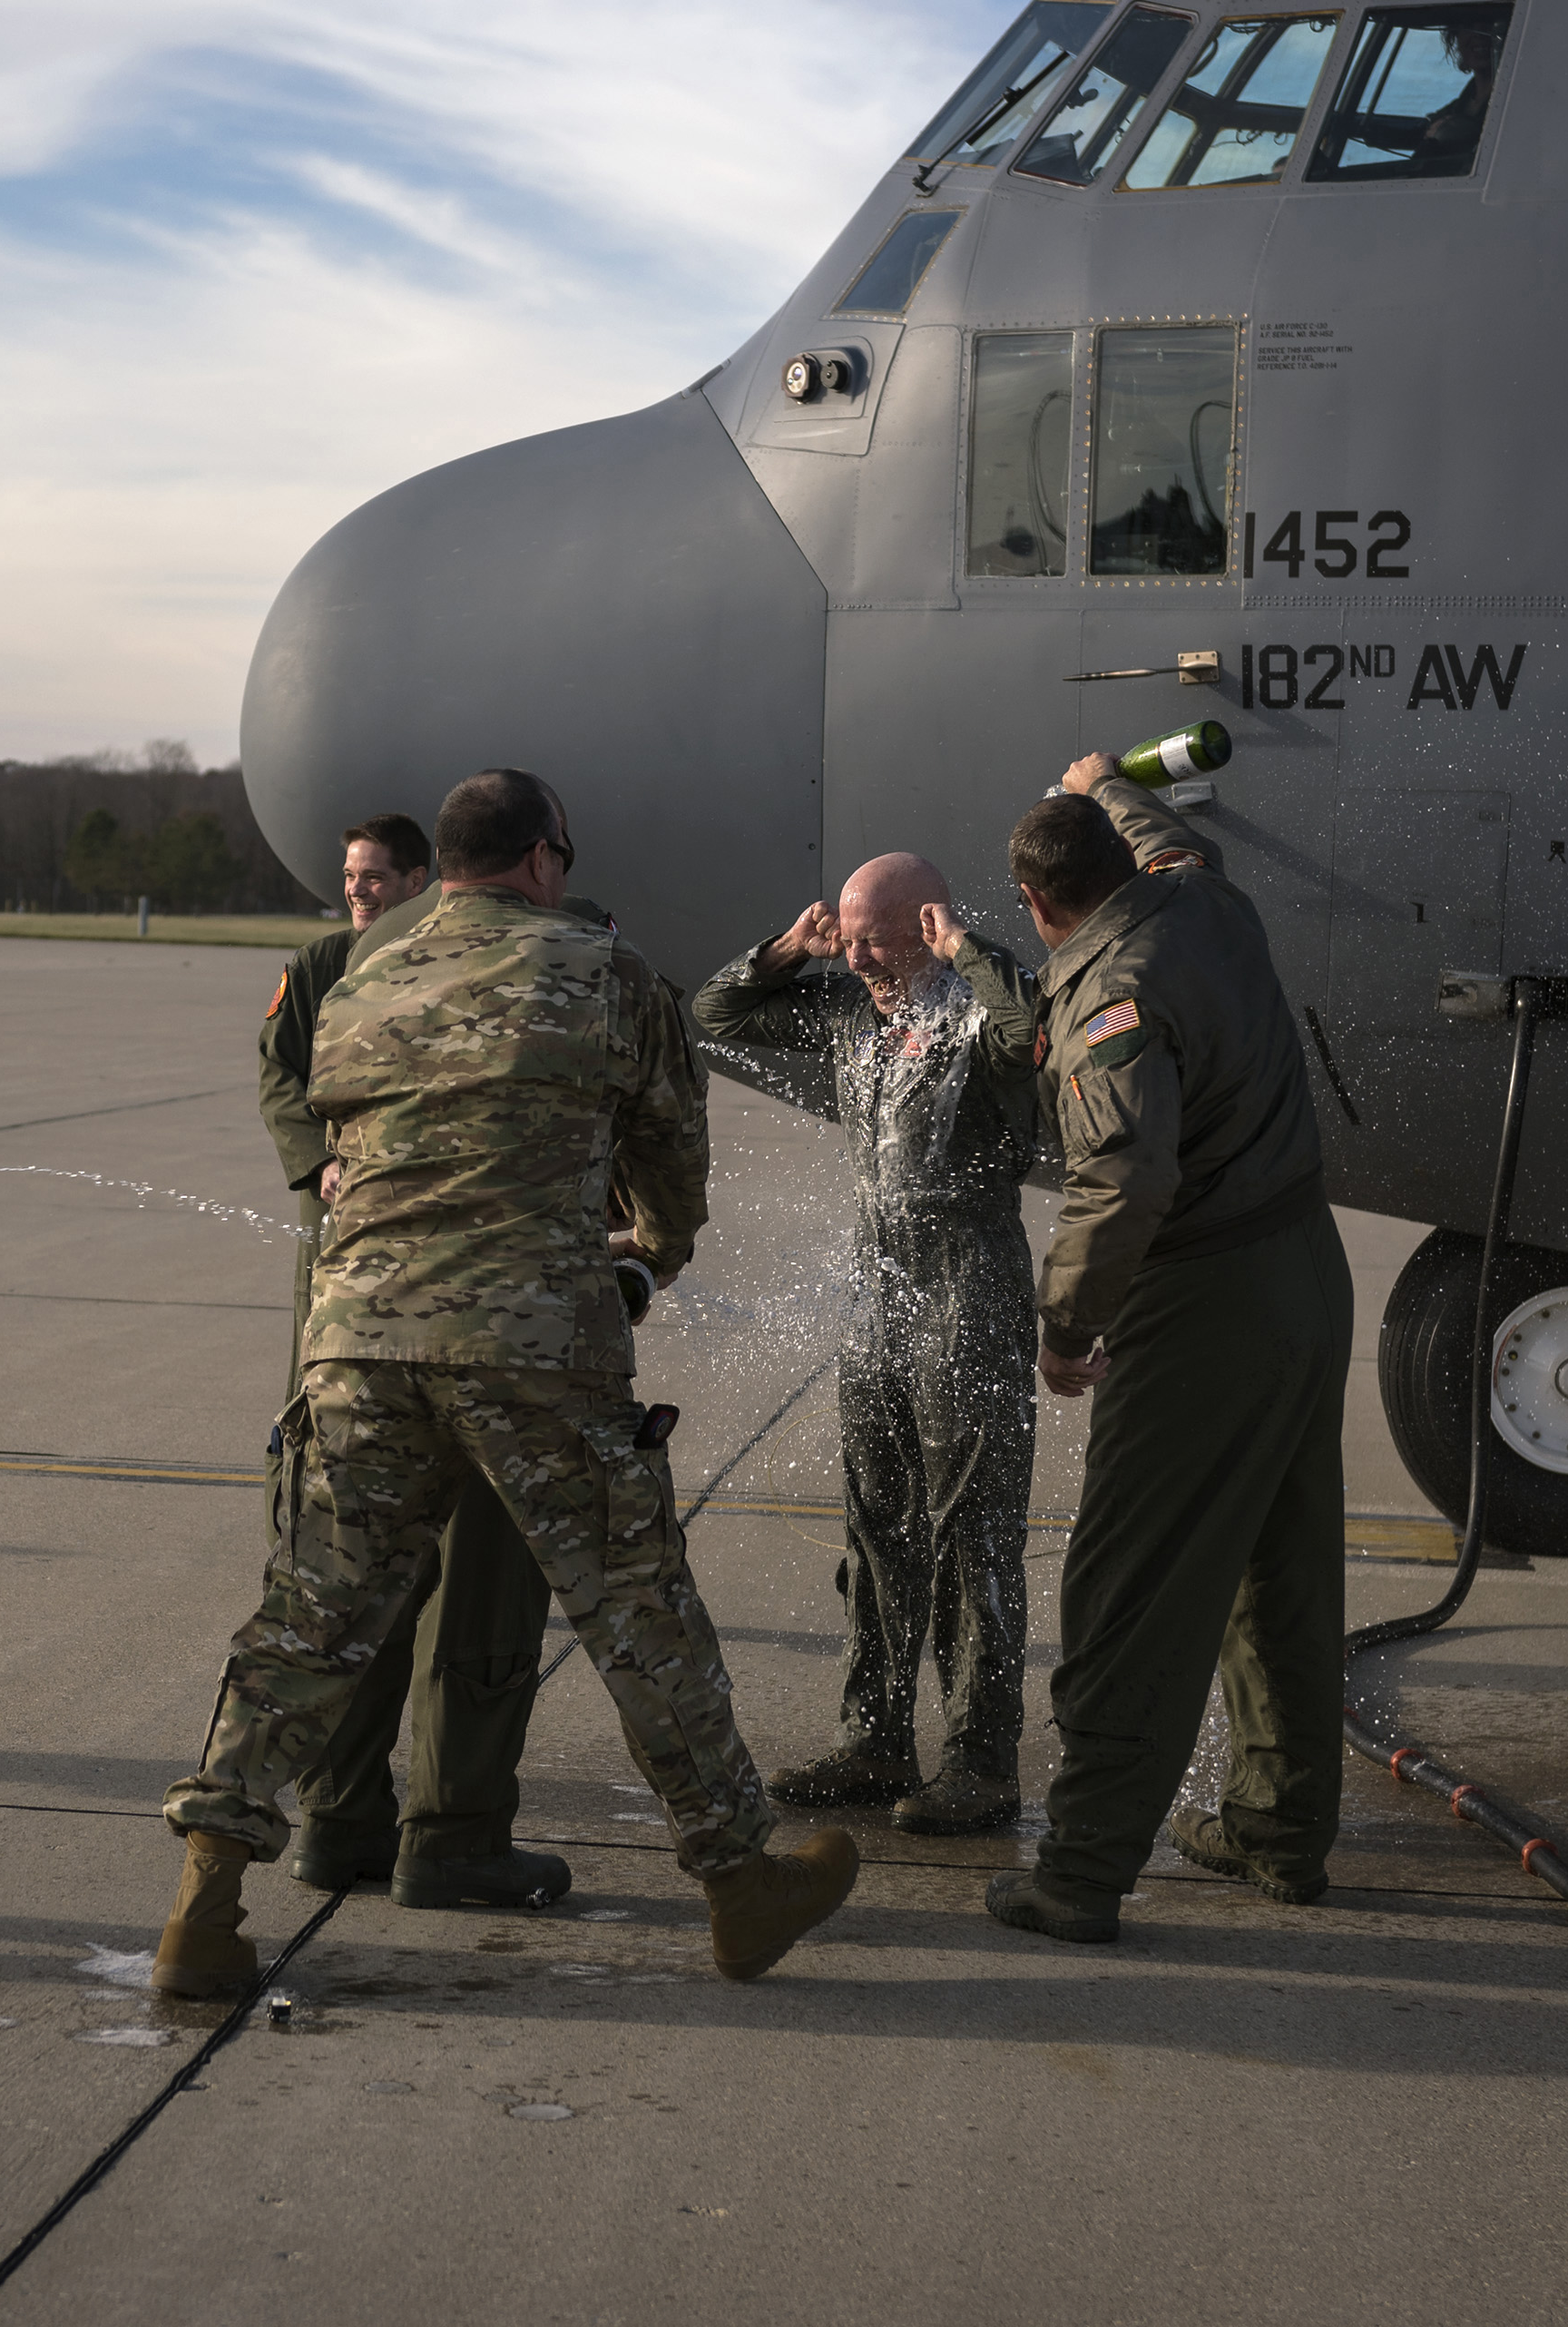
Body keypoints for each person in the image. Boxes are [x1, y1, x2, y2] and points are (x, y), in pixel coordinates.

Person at [155, 768, 858, 1992]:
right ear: (543, 858)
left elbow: (339, 1132)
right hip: (532, 1342)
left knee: (308, 1623)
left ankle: (202, 1910)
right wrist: (652, 1254)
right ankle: (742, 1882)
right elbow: (671, 1163)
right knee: (638, 1613)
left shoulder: (369, 970)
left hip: (360, 1336)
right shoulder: (608, 974)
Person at [985, 759, 1350, 1947]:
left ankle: (1081, 1871)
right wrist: (1110, 786)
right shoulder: (1199, 902)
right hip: (1306, 1268)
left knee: (1134, 1586)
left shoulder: (1108, 1002)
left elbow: (1126, 1179)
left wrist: (1065, 1327)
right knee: (1279, 1569)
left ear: (1040, 908)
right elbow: (1182, 851)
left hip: (1207, 1306)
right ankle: (1279, 1829)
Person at [254, 812, 566, 1908]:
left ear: (431, 877)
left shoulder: (399, 968)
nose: (357, 893)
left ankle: (342, 1820)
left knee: (347, 1563)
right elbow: (280, 1078)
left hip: (361, 1313)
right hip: (472, 1317)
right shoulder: (345, 965)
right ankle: (424, 1828)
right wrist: (318, 1167)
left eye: (374, 876)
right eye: (349, 877)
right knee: (470, 1566)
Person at [694, 853, 1042, 1834]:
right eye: (846, 937)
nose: (858, 956)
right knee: (877, 1523)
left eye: (876, 938)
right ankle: (876, 1734)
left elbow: (1034, 1030)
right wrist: (783, 951)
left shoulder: (978, 1010)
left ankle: (981, 1759)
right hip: (877, 1293)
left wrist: (970, 953)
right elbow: (717, 1016)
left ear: (927, 925)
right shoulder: (848, 1010)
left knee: (973, 1532)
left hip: (969, 1288)